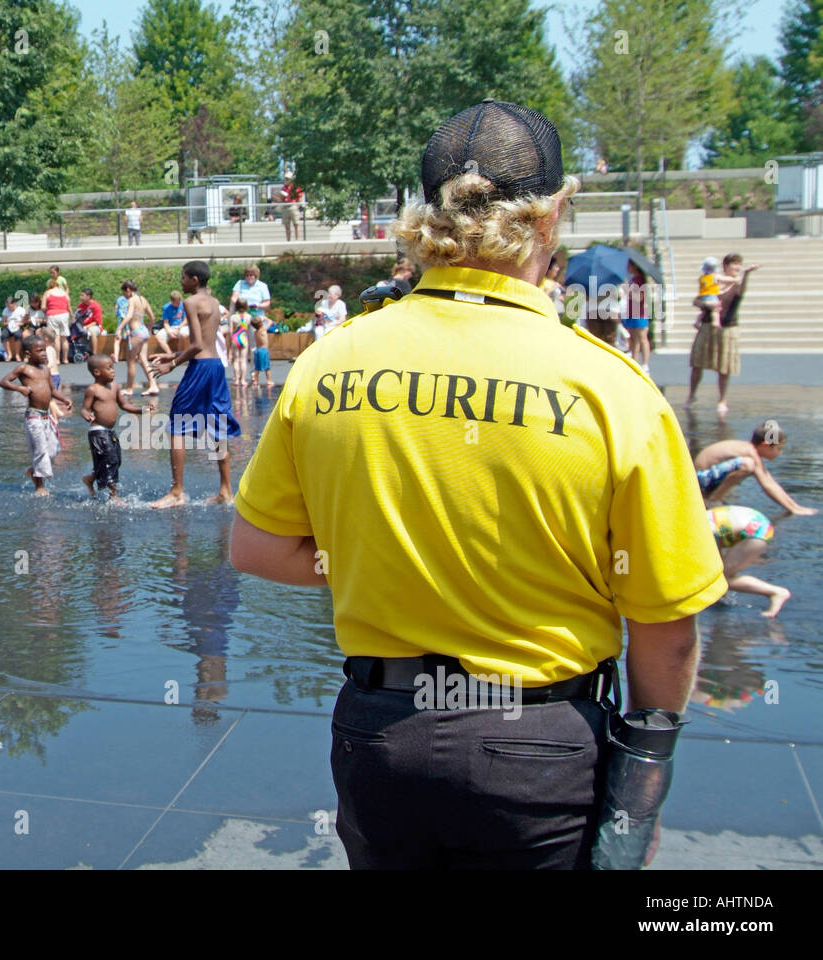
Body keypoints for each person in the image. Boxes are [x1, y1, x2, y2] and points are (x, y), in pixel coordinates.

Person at [229, 100, 726, 869]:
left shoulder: (331, 362)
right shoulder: (611, 390)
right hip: (538, 746)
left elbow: (257, 548)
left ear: (428, 212)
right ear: (555, 215)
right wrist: (641, 788)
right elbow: (666, 624)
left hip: (382, 736)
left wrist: (379, 560)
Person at [150, 260, 240, 508]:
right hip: (216, 367)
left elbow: (197, 345)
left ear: (194, 280)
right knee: (217, 423)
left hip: (200, 368)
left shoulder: (190, 303)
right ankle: (225, 490)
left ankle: (177, 491)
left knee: (176, 425)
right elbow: (206, 343)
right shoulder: (212, 301)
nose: (181, 281)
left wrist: (172, 364)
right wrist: (173, 355)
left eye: (183, 277)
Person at [0, 335, 73, 495]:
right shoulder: (23, 369)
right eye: (39, 351)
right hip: (33, 416)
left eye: (45, 350)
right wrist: (20, 389)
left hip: (47, 416)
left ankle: (33, 471)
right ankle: (39, 486)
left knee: (53, 450)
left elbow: (52, 391)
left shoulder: (45, 370)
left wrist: (64, 399)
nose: (44, 354)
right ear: (28, 354)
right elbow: (3, 382)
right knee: (40, 450)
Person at [685, 254, 760, 414]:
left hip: (728, 328)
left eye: (739, 265)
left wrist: (747, 274)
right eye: (734, 265)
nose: (737, 268)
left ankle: (722, 400)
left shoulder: (737, 284)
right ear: (725, 266)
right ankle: (692, 395)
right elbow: (697, 300)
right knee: (697, 364)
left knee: (724, 367)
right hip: (707, 326)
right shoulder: (713, 280)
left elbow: (743, 289)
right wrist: (706, 304)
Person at [693, 423, 817, 514]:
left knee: (749, 464)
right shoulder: (750, 453)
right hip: (701, 481)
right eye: (778, 448)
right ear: (765, 445)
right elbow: (767, 486)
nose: (780, 453)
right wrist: (792, 509)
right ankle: (712, 501)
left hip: (703, 479)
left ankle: (710, 499)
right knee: (748, 465)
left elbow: (770, 482)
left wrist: (796, 507)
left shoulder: (748, 449)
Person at [81, 354, 150, 501]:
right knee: (110, 460)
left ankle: (90, 478)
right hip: (98, 431)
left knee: (116, 460)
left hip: (110, 432)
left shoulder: (115, 387)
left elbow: (124, 405)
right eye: (109, 368)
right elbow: (85, 408)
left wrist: (141, 410)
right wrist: (86, 414)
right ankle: (114, 495)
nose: (113, 371)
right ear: (97, 372)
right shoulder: (93, 389)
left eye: (113, 368)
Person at [708, 505, 791, 617]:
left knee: (718, 579)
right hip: (754, 521)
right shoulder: (694, 522)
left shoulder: (695, 534)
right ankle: (721, 596)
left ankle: (775, 592)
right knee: (720, 574)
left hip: (754, 532)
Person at [113, 280, 159, 396]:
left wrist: (119, 328)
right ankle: (153, 385)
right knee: (143, 359)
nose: (124, 296)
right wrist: (149, 328)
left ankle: (129, 388)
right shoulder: (142, 299)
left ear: (128, 290)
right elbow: (152, 317)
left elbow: (128, 316)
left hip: (136, 332)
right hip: (143, 331)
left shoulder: (132, 300)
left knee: (131, 361)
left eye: (124, 293)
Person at [620, 262, 651, 373]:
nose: (628, 268)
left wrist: (628, 290)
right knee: (633, 339)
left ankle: (646, 364)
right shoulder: (633, 279)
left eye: (629, 266)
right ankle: (635, 361)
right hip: (631, 312)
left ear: (635, 266)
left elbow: (639, 297)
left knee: (642, 338)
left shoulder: (640, 280)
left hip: (639, 313)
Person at [43, 277, 71, 364]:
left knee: (56, 337)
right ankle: (65, 359)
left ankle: (57, 359)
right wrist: (72, 316)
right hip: (64, 315)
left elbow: (43, 306)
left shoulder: (47, 292)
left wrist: (47, 311)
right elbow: (69, 306)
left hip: (53, 315)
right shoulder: (64, 293)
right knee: (64, 338)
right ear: (58, 286)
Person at [155, 289, 188, 355]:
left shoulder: (183, 305)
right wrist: (169, 331)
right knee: (158, 337)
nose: (179, 304)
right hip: (171, 327)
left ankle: (179, 354)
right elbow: (165, 323)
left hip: (182, 326)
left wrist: (178, 328)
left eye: (179, 302)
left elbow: (185, 320)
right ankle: (170, 353)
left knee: (183, 334)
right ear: (172, 301)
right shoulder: (166, 308)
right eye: (177, 303)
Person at [227, 297, 251, 386]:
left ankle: (236, 379)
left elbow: (230, 331)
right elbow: (248, 329)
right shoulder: (248, 317)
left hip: (235, 338)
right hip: (244, 338)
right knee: (243, 360)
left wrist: (230, 341)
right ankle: (243, 380)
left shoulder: (233, 317)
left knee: (236, 360)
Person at [76, 287, 104, 358]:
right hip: (82, 326)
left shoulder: (96, 306)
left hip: (95, 326)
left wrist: (87, 326)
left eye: (82, 295)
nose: (80, 297)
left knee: (92, 331)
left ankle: (94, 353)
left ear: (88, 296)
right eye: (80, 295)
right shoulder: (81, 306)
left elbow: (97, 322)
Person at [250, 311, 274, 388]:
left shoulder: (256, 332)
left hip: (257, 350)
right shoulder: (263, 330)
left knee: (257, 368)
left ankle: (256, 380)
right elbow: (270, 322)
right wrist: (265, 318)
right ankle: (269, 380)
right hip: (263, 350)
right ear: (261, 323)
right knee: (267, 367)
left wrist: (261, 319)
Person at [281, 171, 305, 241]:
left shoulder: (296, 187)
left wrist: (297, 206)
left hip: (293, 206)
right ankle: (288, 240)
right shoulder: (284, 188)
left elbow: (300, 197)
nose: (286, 180)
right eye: (285, 178)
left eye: (288, 179)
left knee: (296, 224)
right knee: (286, 225)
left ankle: (297, 240)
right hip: (285, 206)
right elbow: (282, 198)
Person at [2, 295, 26, 362]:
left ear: (15, 304)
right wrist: (9, 323)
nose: (9, 308)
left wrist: (18, 324)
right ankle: (9, 354)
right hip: (9, 326)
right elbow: (3, 322)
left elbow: (24, 322)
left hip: (18, 326)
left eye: (11, 306)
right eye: (8, 306)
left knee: (18, 335)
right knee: (3, 335)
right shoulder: (5, 310)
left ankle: (17, 354)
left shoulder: (21, 310)